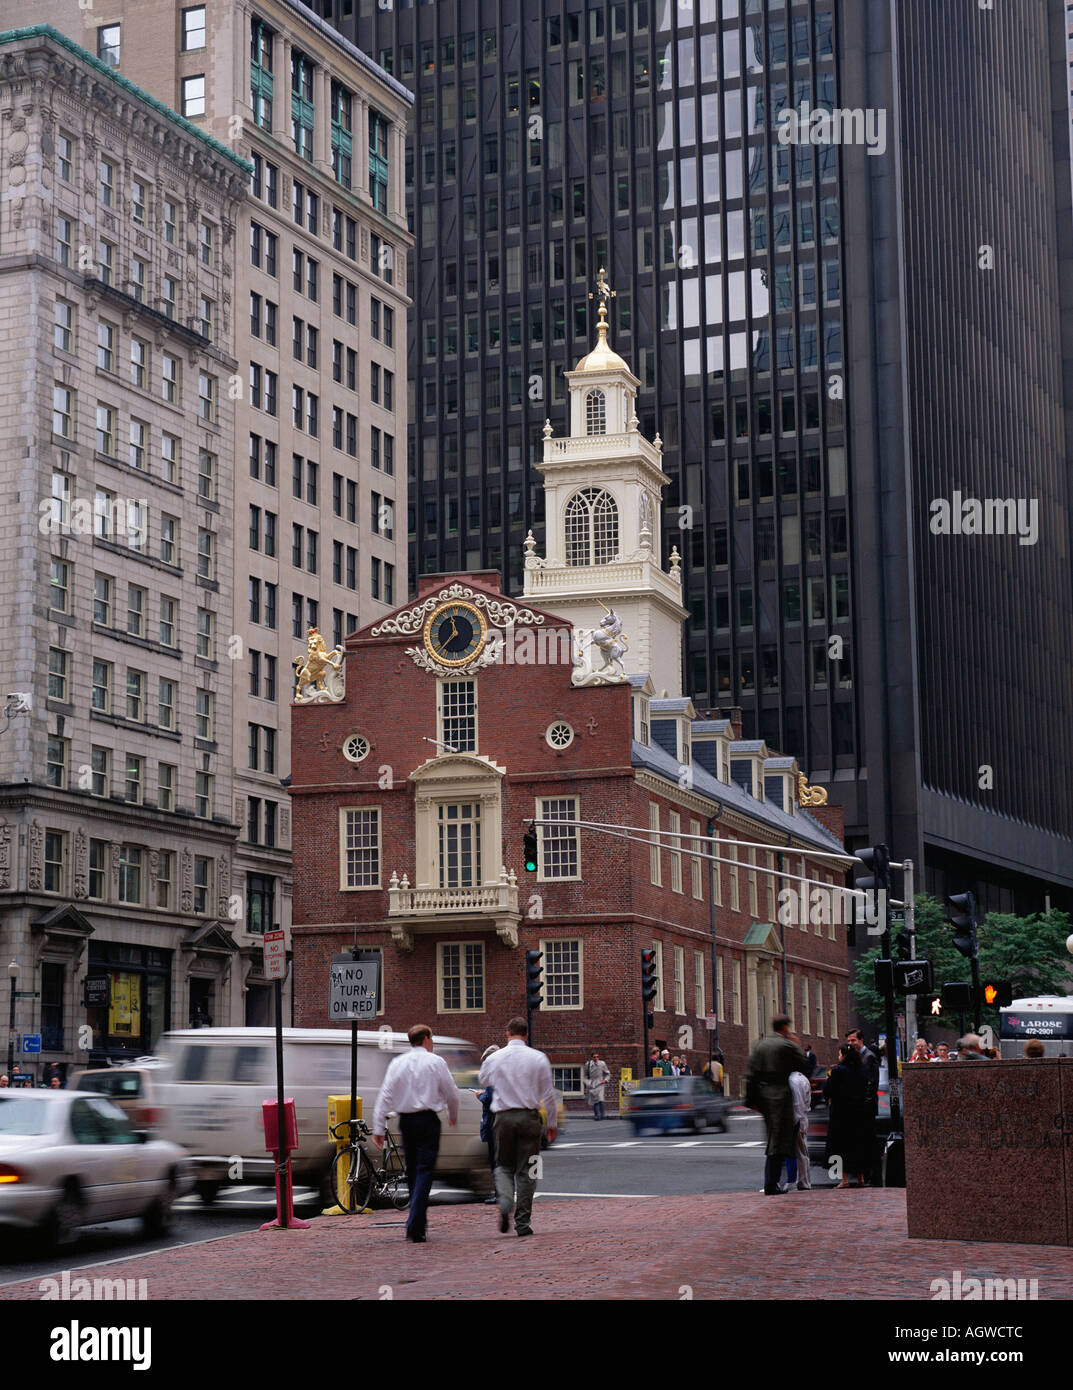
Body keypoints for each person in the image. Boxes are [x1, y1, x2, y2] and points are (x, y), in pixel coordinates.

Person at [372, 1024, 459, 1244]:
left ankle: (416, 1221)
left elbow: (385, 1095)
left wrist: (378, 1127)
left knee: (412, 1170)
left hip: (406, 1120)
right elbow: (452, 1092)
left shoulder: (397, 1063)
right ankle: (415, 1222)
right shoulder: (436, 1062)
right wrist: (452, 1114)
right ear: (427, 1039)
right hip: (428, 1120)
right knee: (425, 1170)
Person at [478, 1016, 557, 1238]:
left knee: (502, 1165)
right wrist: (551, 1123)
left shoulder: (496, 1057)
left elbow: (483, 1079)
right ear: (526, 1034)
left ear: (507, 1033)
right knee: (530, 1169)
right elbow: (549, 1095)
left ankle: (504, 1202)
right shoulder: (538, 1058)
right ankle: (523, 1222)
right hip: (530, 1118)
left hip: (502, 1117)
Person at [744, 1013, 808, 1195]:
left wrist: (751, 1100)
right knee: (780, 1139)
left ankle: (772, 1182)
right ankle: (772, 1183)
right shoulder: (786, 1045)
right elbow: (804, 1063)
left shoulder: (760, 1045)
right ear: (785, 1027)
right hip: (780, 1094)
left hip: (763, 1095)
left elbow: (751, 1074)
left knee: (773, 1137)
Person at [823, 1044, 871, 1187]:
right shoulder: (862, 1070)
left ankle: (844, 1180)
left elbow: (827, 1089)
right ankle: (860, 1178)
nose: (838, 1057)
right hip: (859, 1113)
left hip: (841, 1114)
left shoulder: (838, 1070)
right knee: (858, 1145)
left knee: (840, 1146)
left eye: (839, 1054)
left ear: (844, 1056)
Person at [475, 1044, 499, 1204]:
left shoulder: (494, 1075)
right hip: (502, 1121)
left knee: (495, 1161)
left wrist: (480, 1096)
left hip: (493, 1122)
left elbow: (490, 1098)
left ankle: (500, 1194)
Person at [787, 1064, 812, 1191]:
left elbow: (796, 1103)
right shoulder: (803, 1079)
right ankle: (804, 1181)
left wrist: (794, 1120)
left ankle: (802, 1182)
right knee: (803, 1151)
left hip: (797, 1118)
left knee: (799, 1151)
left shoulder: (792, 1080)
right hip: (804, 1117)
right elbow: (807, 1101)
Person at [583, 1051, 611, 1121]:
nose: (596, 1058)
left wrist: (605, 1080)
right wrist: (587, 1082)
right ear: (592, 1057)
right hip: (592, 1083)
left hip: (600, 1083)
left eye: (597, 1057)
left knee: (600, 1099)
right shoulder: (588, 1064)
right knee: (595, 1100)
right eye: (594, 1057)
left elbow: (607, 1073)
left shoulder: (602, 1063)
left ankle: (601, 1114)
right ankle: (596, 1115)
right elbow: (585, 1075)